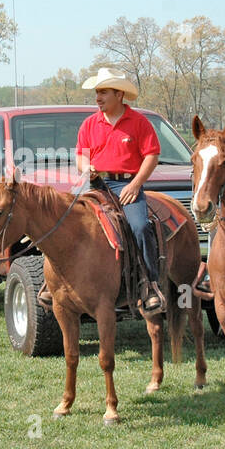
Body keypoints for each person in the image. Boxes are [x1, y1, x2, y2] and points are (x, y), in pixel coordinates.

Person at [74, 67, 166, 317]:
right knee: (70, 223)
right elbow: (81, 157)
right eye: (97, 92)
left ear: (119, 94)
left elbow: (151, 155)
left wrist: (135, 184)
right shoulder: (89, 124)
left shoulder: (139, 122)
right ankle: (58, 283)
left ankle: (150, 284)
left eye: (103, 92)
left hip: (127, 185)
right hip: (96, 185)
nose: (98, 97)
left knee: (140, 227)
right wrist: (87, 169)